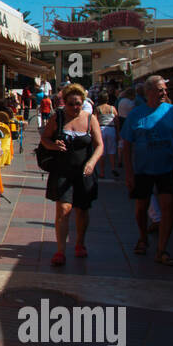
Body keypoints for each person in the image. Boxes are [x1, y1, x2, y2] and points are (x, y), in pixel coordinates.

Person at [121, 75, 173, 266]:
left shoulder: (172, 111)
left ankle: (162, 250)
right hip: (143, 169)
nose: (164, 93)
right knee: (141, 208)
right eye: (160, 89)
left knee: (168, 207)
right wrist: (128, 173)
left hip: (167, 167)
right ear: (149, 92)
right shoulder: (136, 113)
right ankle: (143, 237)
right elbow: (127, 144)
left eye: (165, 89)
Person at [39, 83, 103, 266]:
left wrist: (92, 162)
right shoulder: (57, 118)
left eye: (79, 104)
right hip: (63, 169)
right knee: (64, 209)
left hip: (84, 171)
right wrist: (53, 145)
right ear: (64, 103)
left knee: (82, 209)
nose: (75, 107)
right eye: (71, 104)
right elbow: (45, 138)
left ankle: (80, 243)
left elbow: (99, 145)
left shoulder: (90, 119)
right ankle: (60, 251)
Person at [95, 93, 119, 179]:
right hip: (111, 129)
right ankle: (113, 168)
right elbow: (116, 120)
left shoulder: (98, 109)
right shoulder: (113, 108)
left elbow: (95, 120)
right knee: (112, 151)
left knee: (102, 152)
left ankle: (102, 172)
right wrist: (118, 132)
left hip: (101, 129)